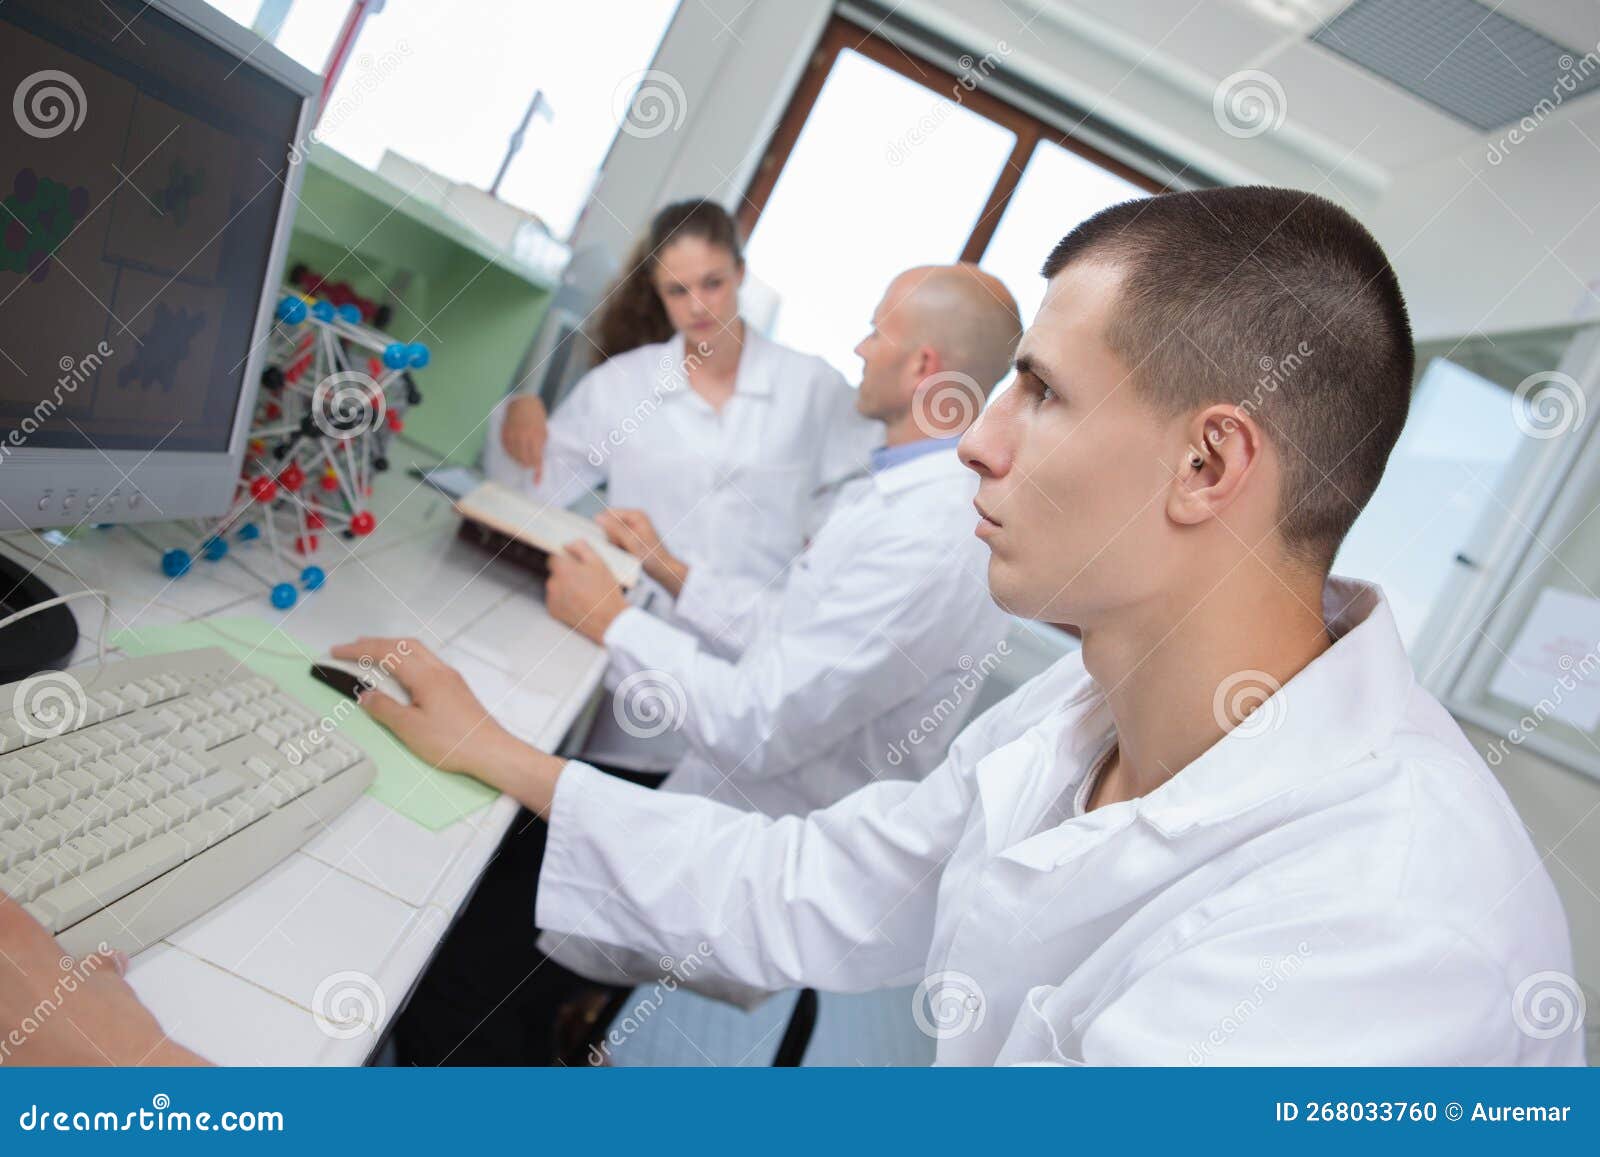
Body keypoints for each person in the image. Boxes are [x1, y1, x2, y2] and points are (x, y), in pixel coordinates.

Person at [3, 187, 1581, 1066]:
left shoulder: (1377, 947)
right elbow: (822, 873)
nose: (975, 436)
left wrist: (154, 1090)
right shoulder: (1088, 717)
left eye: (1039, 390)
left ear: (1210, 463)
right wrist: (506, 753)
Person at [386, 264, 1022, 1064]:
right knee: (513, 879)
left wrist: (612, 623)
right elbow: (789, 631)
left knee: (459, 976)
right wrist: (667, 567)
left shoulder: (927, 534)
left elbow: (761, 722)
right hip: (722, 802)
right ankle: (552, 1033)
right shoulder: (900, 491)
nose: (859, 348)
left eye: (877, 331)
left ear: (923, 365)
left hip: (747, 845)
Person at [486, 197, 880, 773]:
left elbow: (867, 488)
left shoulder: (811, 387)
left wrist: (820, 554)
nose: (698, 306)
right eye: (677, 291)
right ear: (657, 292)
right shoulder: (623, 384)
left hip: (758, 652)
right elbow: (528, 490)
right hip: (636, 653)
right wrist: (519, 413)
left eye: (713, 283)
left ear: (741, 273)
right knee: (612, 803)